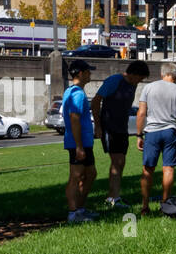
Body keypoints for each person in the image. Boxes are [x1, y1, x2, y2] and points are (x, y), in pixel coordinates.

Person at [136, 62, 176, 216]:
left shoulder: (148, 88)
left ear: (162, 74)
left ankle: (144, 206)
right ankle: (165, 205)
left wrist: (139, 134)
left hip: (152, 132)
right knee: (168, 168)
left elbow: (141, 113)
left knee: (148, 169)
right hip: (170, 132)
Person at [91, 59, 149, 210]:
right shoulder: (115, 80)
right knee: (117, 161)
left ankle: (113, 196)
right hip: (109, 127)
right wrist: (98, 126)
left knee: (121, 162)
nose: (141, 81)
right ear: (134, 74)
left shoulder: (133, 84)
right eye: (141, 78)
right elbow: (96, 101)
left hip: (122, 128)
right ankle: (113, 198)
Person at [61, 60, 98, 223]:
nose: (90, 74)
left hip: (84, 142)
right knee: (75, 176)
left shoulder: (71, 91)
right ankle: (73, 212)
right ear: (81, 73)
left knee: (90, 174)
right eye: (88, 71)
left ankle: (80, 208)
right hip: (78, 143)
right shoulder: (77, 94)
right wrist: (79, 146)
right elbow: (74, 119)